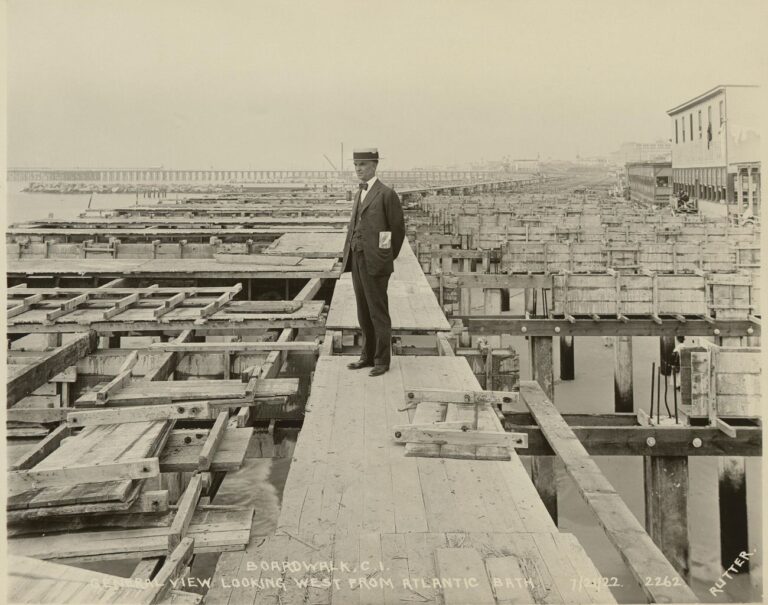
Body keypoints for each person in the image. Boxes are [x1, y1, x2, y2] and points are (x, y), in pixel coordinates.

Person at [341, 148, 405, 377]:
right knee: (363, 310)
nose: (358, 169)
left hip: (376, 261)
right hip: (357, 258)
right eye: (356, 165)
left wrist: (384, 256)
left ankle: (381, 360)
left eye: (363, 165)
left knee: (378, 312)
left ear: (375, 166)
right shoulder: (360, 193)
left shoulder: (387, 194)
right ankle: (366, 356)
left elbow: (396, 231)